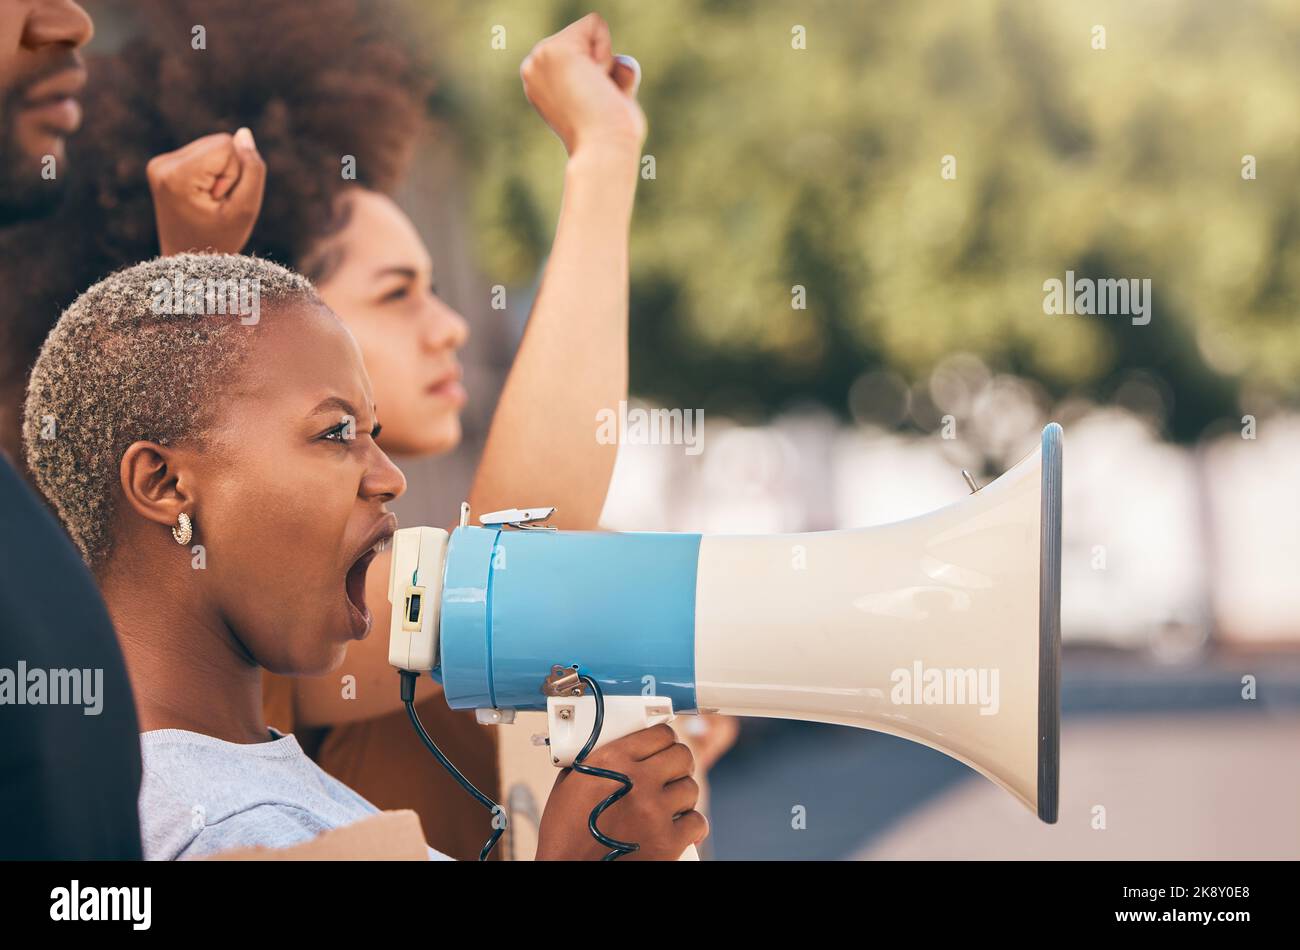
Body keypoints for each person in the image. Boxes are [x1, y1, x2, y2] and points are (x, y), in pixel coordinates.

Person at [3, 1, 738, 857]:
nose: (454, 324)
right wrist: (603, 157)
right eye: (396, 293)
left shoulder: (289, 636)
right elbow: (527, 552)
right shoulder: (270, 644)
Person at [23, 252, 709, 861]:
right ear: (165, 485)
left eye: (374, 434)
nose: (388, 477)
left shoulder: (227, 785)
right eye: (334, 434)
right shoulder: (215, 829)